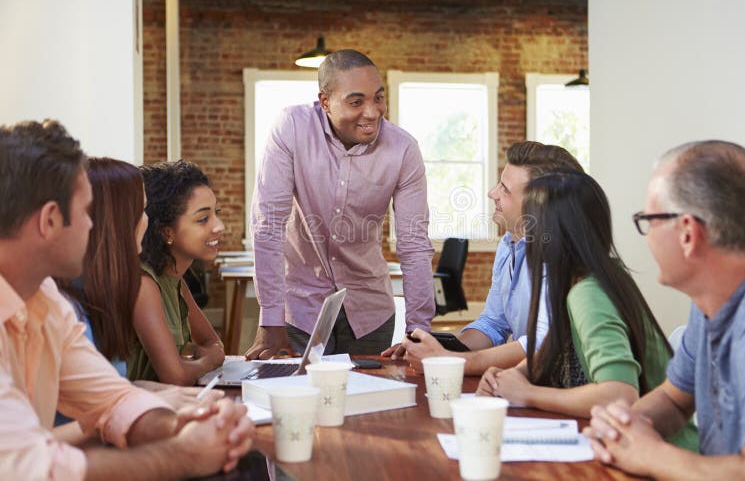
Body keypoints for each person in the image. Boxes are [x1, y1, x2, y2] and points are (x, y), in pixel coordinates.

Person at [0, 119, 252, 479]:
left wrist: (185, 422)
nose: (95, 224)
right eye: (87, 212)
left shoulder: (45, 298)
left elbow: (113, 400)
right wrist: (184, 454)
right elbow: (36, 470)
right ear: (50, 221)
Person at [585, 141, 745, 478]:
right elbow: (674, 400)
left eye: (649, 220)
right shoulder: (713, 300)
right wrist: (622, 428)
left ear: (688, 232)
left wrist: (651, 454)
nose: (646, 235)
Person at [476, 170, 697, 449]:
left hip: (660, 455)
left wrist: (529, 394)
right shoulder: (583, 281)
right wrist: (513, 377)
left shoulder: (587, 294)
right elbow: (551, 349)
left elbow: (619, 395)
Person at [247, 49, 435, 359]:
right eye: (356, 101)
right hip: (300, 308)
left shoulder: (403, 150)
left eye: (378, 98)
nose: (372, 112)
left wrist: (418, 329)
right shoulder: (291, 127)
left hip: (370, 312)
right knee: (298, 402)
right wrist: (270, 317)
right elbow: (268, 225)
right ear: (325, 102)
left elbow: (414, 244)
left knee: (368, 405)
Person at [53, 158, 221, 433]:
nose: (146, 221)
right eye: (140, 211)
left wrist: (148, 393)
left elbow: (105, 386)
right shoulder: (68, 306)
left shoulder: (100, 289)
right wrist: (148, 398)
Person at [397, 141, 584, 374]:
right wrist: (437, 348)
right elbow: (493, 324)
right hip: (529, 377)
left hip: (563, 385)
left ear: (540, 203)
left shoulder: (559, 256)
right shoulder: (509, 245)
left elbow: (541, 343)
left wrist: (450, 362)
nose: (492, 193)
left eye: (505, 189)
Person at [128, 160, 226, 385]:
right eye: (203, 219)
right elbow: (175, 375)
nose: (219, 226)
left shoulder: (174, 279)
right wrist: (208, 360)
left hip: (171, 404)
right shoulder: (145, 284)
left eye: (216, 213)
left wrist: (199, 358)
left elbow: (213, 343)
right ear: (166, 231)